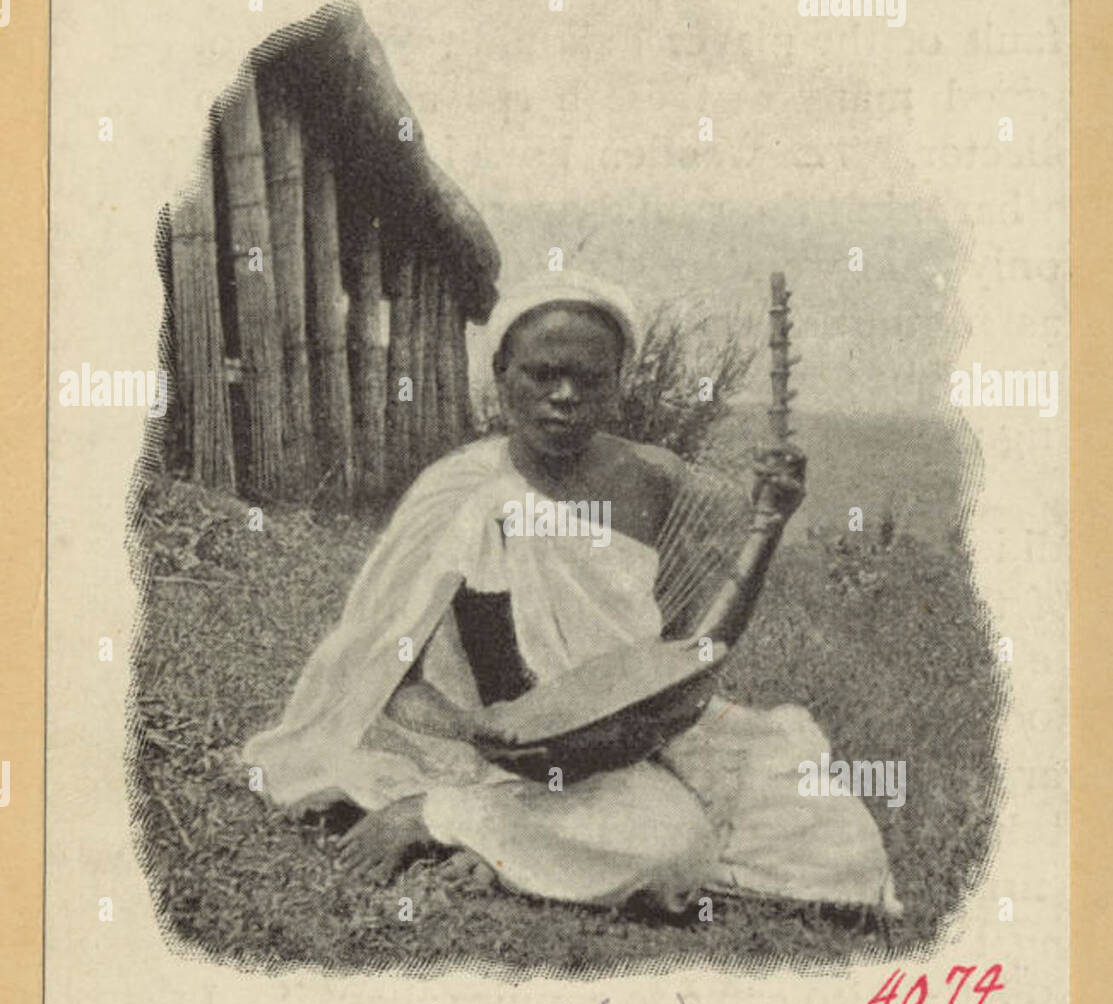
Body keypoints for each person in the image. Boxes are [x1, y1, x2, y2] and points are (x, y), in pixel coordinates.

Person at [243, 274, 901, 915]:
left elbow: (693, 649)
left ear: (618, 388)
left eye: (589, 380)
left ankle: (507, 843)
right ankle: (438, 815)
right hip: (501, 752)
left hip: (629, 727)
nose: (564, 396)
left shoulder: (654, 480)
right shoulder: (463, 492)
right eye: (542, 374)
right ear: (501, 376)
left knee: (831, 840)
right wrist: (475, 728)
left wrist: (767, 526)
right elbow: (395, 680)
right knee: (671, 850)